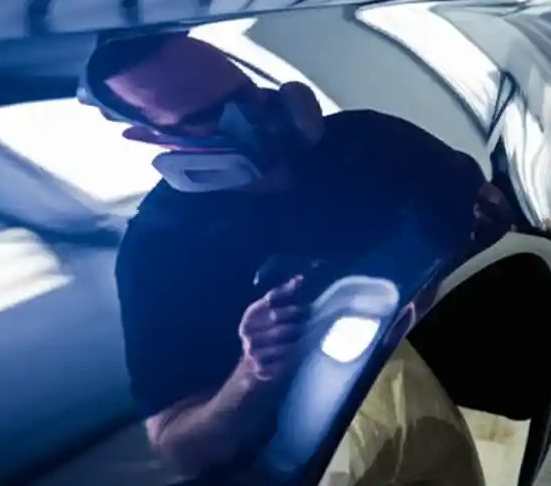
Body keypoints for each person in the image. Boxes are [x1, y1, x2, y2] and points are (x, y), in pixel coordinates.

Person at [78, 31, 503, 483]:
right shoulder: (160, 251)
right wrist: (254, 372)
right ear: (148, 136)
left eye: (244, 93)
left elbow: (481, 208)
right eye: (207, 116)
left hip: (469, 372)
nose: (249, 117)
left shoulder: (374, 138)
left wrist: (486, 228)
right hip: (339, 440)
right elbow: (182, 450)